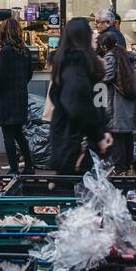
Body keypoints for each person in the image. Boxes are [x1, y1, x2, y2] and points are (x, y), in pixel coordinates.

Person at [48, 18, 112, 173]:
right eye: (90, 32)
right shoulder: (75, 66)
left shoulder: (71, 65)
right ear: (82, 37)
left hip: (72, 141)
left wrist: (101, 132)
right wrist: (98, 135)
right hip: (74, 144)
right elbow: (78, 106)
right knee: (77, 189)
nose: (95, 36)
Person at [0, 17, 36, 176]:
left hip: (5, 98)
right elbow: (29, 74)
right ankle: (29, 166)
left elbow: (0, 77)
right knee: (19, 133)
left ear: (4, 32)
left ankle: (14, 168)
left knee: (8, 134)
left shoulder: (5, 52)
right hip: (20, 96)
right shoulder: (25, 51)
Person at [97, 31, 136, 173]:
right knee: (127, 135)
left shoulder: (110, 57)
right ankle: (128, 166)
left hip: (118, 102)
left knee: (117, 135)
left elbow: (106, 77)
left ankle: (119, 168)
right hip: (129, 102)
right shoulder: (126, 56)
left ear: (105, 46)